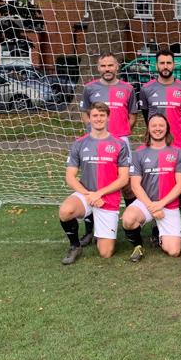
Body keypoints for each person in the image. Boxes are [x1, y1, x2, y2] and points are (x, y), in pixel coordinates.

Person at [77, 52, 139, 245]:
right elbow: (85, 114)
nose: (107, 69)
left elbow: (132, 116)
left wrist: (119, 135)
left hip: (120, 142)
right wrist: (93, 133)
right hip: (95, 143)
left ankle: (131, 225)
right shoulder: (89, 88)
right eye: (103, 66)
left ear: (117, 67)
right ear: (98, 68)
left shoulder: (128, 88)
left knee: (127, 184)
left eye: (110, 65)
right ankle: (90, 230)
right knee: (91, 183)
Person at [58, 102, 130, 264]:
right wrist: (89, 195)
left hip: (107, 198)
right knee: (65, 211)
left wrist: (99, 193)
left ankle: (98, 228)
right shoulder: (79, 143)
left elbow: (124, 178)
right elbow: (70, 177)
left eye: (102, 115)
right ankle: (75, 245)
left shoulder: (119, 144)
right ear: (89, 118)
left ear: (108, 117)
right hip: (87, 194)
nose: (98, 119)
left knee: (106, 253)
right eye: (95, 115)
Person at [121, 113, 181, 261]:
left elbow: (180, 184)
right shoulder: (139, 153)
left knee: (174, 251)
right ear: (148, 129)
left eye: (161, 125)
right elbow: (135, 185)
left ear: (167, 128)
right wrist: (152, 206)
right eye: (154, 126)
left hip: (168, 204)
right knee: (128, 219)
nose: (158, 129)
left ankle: (162, 235)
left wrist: (161, 204)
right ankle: (138, 246)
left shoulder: (177, 152)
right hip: (146, 202)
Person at [137, 48, 181, 149]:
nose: (165, 66)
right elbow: (146, 115)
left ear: (174, 65)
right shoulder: (146, 88)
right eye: (162, 63)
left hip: (177, 142)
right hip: (154, 141)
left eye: (169, 63)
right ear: (156, 66)